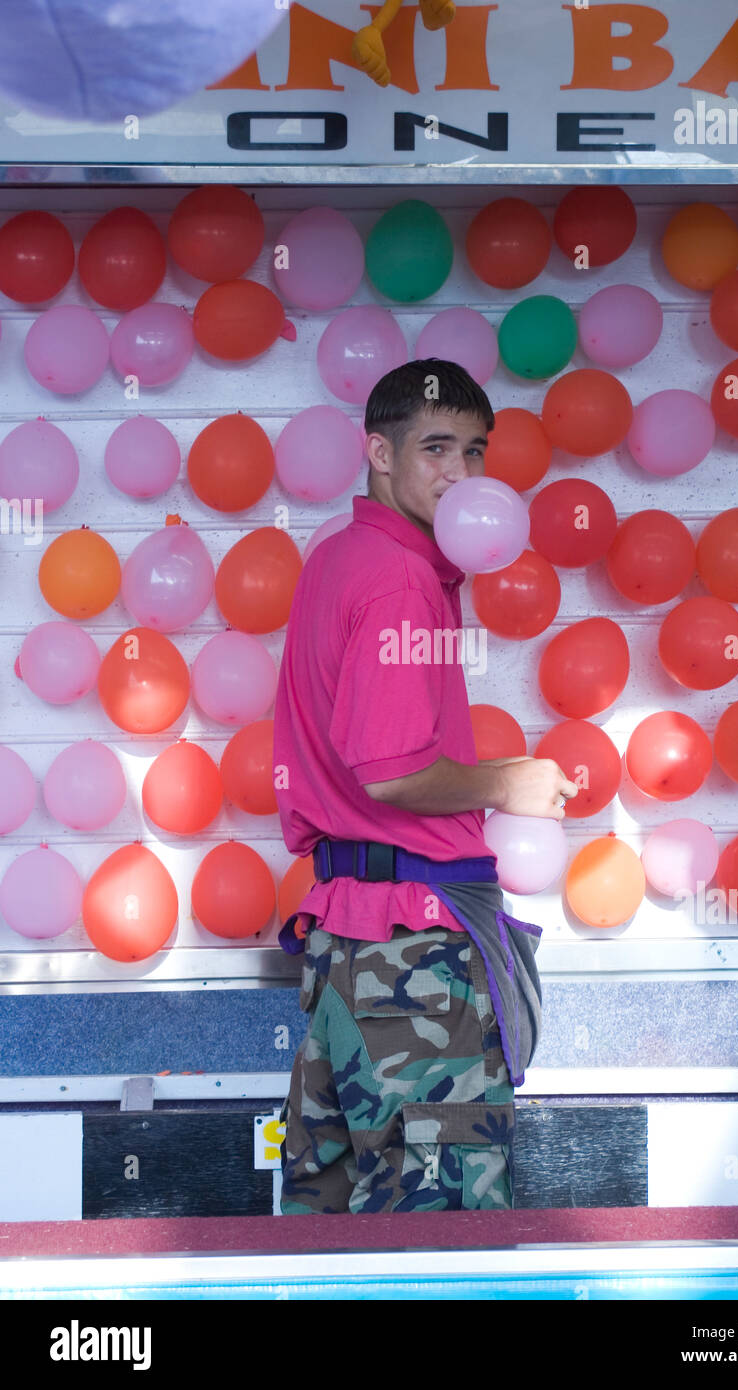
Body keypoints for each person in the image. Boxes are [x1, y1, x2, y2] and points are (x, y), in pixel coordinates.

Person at [272, 357, 577, 1214]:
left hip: (348, 946)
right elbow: (395, 770)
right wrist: (508, 784)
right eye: (436, 448)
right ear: (379, 451)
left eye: (476, 452)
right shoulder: (399, 578)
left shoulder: (340, 556)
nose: (461, 474)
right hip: (409, 957)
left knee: (332, 1225)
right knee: (443, 1236)